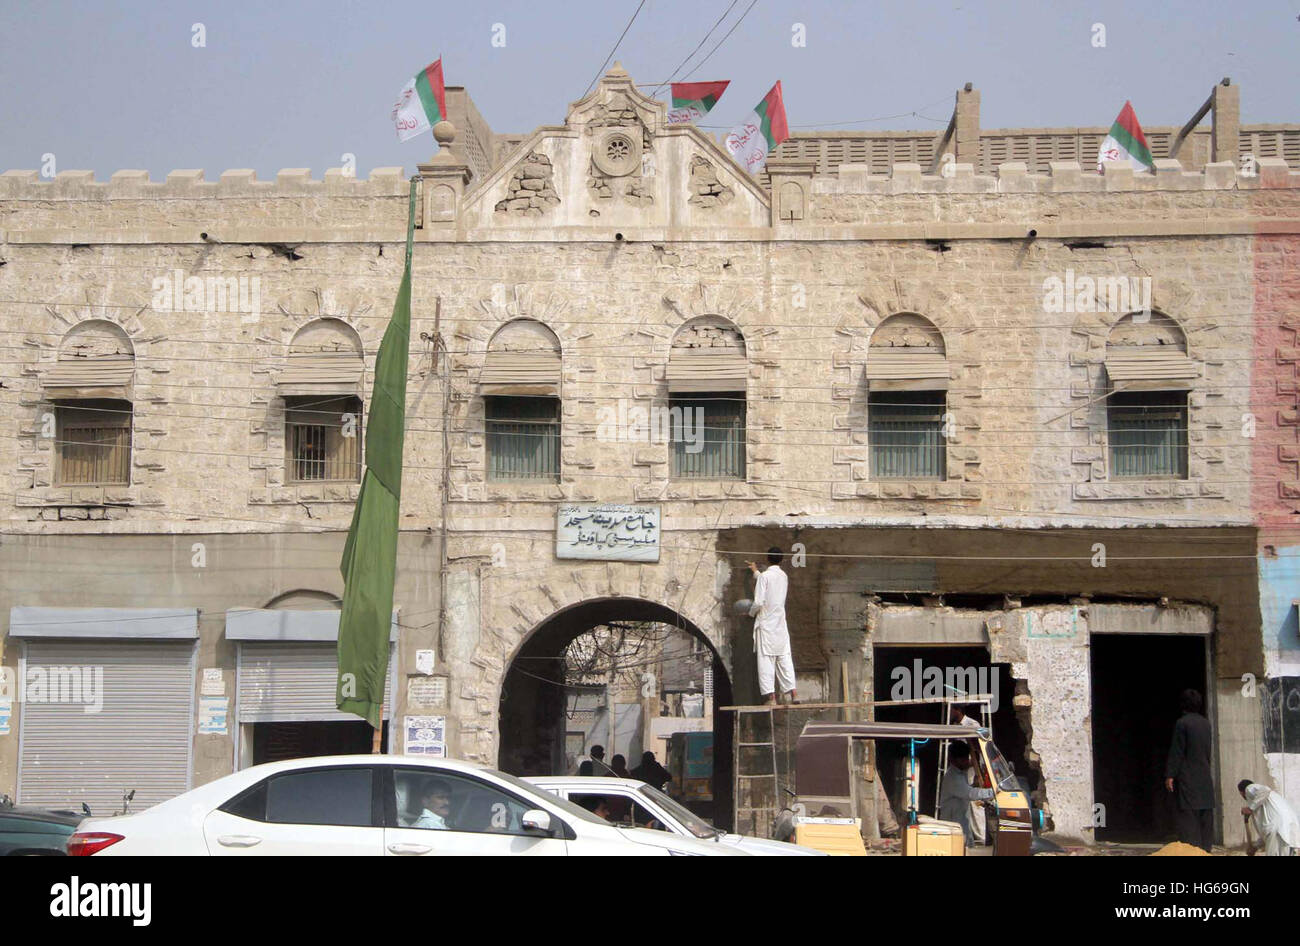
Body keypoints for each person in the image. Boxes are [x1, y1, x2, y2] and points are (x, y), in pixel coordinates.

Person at [1164, 688, 1215, 852]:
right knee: (1205, 816)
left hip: (1188, 776)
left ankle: (1191, 850)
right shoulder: (1206, 723)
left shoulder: (1182, 723)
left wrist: (1170, 774)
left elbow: (1177, 751)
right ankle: (1206, 850)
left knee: (1188, 817)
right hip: (1205, 775)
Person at [747, 546, 797, 706]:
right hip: (780, 623)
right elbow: (770, 585)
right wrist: (756, 572)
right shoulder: (783, 576)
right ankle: (794, 694)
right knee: (784, 657)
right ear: (781, 559)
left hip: (766, 623)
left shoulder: (765, 577)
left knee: (766, 660)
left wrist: (750, 613)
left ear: (768, 558)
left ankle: (771, 699)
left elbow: (759, 601)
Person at [938, 742, 995, 846]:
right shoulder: (953, 777)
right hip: (953, 829)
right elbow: (970, 794)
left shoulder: (961, 772)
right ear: (955, 760)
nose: (967, 762)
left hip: (962, 826)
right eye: (964, 759)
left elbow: (967, 790)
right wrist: (994, 792)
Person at [949, 704, 987, 846]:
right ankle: (967, 836)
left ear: (958, 710)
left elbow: (977, 749)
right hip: (960, 768)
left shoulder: (972, 724)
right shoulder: (954, 725)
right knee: (962, 803)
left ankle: (981, 836)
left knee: (975, 802)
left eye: (952, 710)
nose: (950, 713)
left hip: (971, 768)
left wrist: (978, 772)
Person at [1238, 779, 1300, 856]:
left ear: (1242, 792)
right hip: (1290, 832)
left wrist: (1250, 808)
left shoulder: (1249, 788)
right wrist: (1255, 847)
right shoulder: (1268, 804)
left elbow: (1265, 790)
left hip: (1280, 832)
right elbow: (1267, 832)